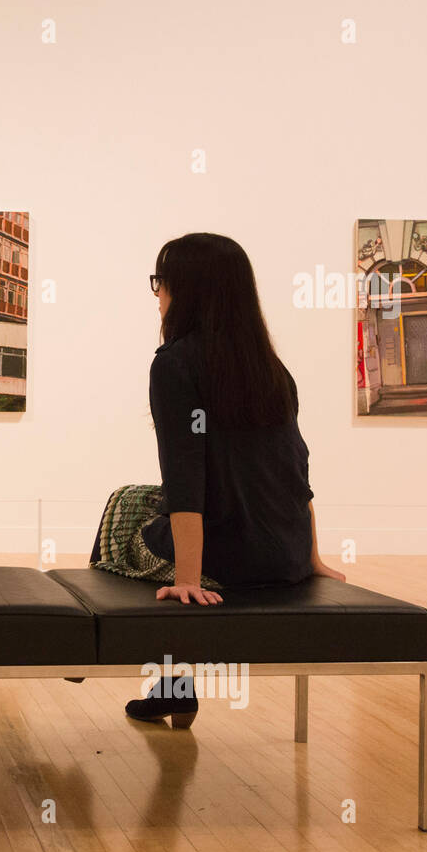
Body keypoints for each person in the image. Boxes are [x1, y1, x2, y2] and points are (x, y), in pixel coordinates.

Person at [77, 233, 345, 727]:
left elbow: (185, 478)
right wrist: (311, 557)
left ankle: (89, 645)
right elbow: (296, 470)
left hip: (231, 557)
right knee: (142, 498)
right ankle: (170, 687)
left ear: (187, 291)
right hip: (285, 552)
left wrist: (188, 580)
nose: (157, 294)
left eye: (162, 282)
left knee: (122, 509)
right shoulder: (273, 369)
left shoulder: (175, 363)